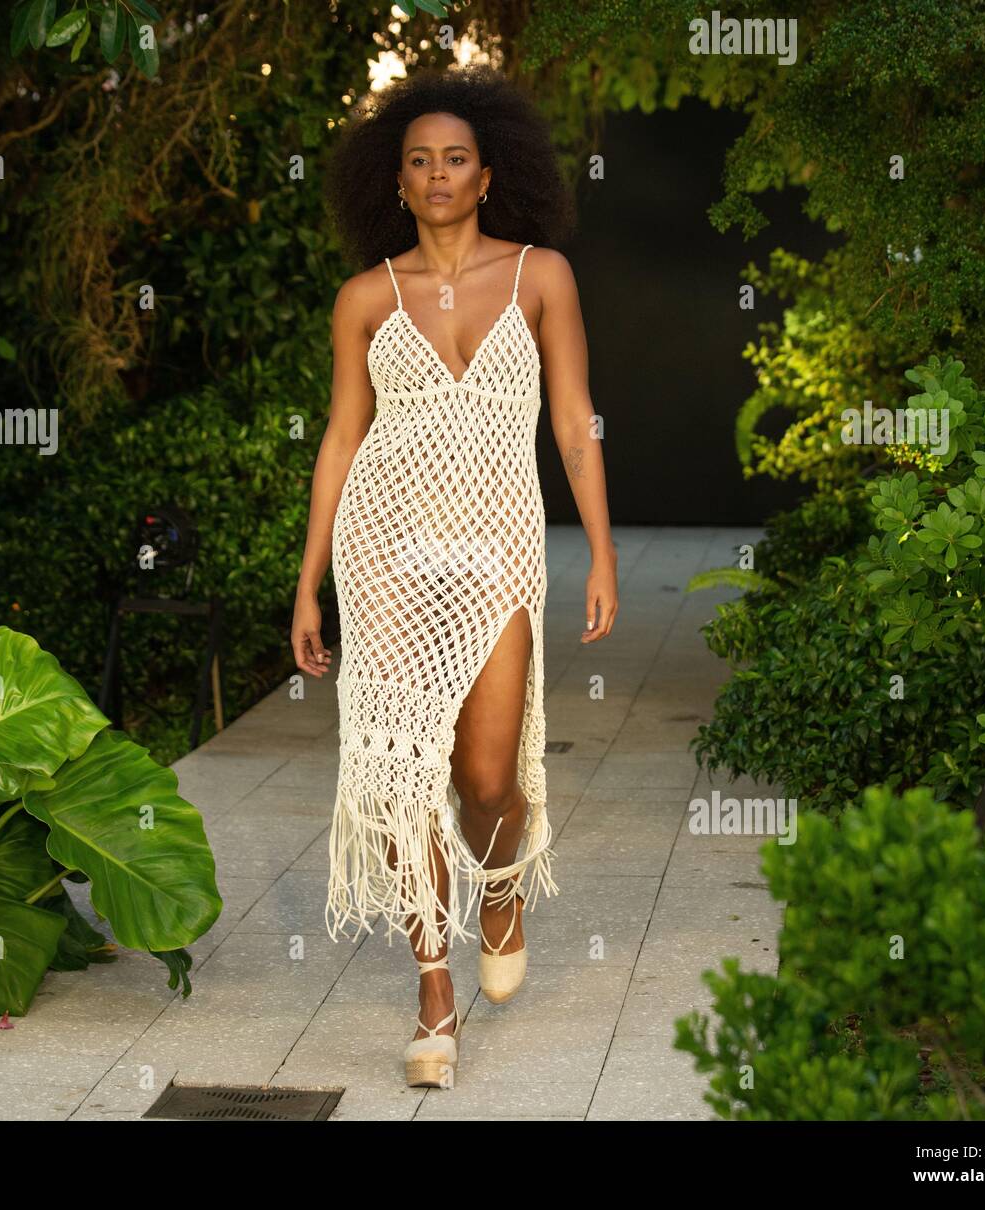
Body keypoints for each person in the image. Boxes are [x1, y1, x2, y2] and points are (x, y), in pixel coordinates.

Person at [292, 64, 617, 1087]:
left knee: (484, 780)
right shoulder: (362, 298)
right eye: (420, 161)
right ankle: (434, 998)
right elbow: (344, 438)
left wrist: (602, 550)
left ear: (489, 176)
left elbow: (572, 422)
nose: (438, 175)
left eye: (456, 160)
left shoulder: (541, 277)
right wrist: (310, 582)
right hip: (385, 552)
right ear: (397, 181)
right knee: (399, 781)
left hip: (496, 552)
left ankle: (501, 889)